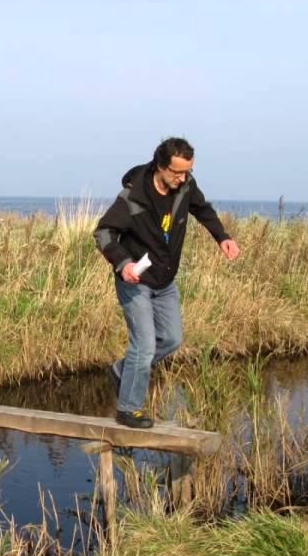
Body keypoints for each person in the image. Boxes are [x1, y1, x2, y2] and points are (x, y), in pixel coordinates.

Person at [93, 137, 240, 428]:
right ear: (161, 166)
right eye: (177, 172)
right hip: (136, 281)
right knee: (144, 345)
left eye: (187, 171)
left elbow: (203, 209)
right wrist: (124, 264)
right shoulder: (134, 198)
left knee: (172, 339)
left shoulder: (185, 186)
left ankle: (122, 370)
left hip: (165, 280)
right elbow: (104, 233)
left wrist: (222, 236)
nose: (183, 177)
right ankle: (128, 409)